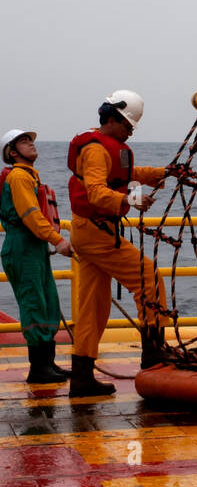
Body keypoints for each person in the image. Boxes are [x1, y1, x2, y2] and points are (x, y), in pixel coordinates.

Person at [67, 90, 168, 397]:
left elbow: (123, 175)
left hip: (89, 231)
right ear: (112, 119)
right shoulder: (97, 150)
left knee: (93, 308)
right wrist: (131, 200)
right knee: (149, 279)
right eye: (127, 126)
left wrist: (161, 174)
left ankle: (82, 376)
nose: (130, 132)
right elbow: (99, 192)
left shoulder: (105, 147)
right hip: (97, 232)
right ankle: (154, 357)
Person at [0, 129, 72, 383]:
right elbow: (31, 215)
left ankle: (48, 364)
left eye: (30, 140)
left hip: (35, 247)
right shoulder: (18, 177)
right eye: (23, 141)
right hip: (22, 246)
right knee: (33, 304)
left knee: (48, 303)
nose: (30, 144)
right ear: (12, 152)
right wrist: (58, 240)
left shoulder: (30, 177)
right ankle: (38, 369)